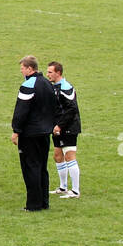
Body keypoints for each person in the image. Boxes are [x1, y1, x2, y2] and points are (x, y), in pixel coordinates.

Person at [12, 56, 57, 212]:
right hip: (45, 133)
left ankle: (33, 205)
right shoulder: (47, 83)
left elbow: (21, 111)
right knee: (42, 167)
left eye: (22, 68)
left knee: (30, 168)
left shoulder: (28, 85)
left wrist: (16, 130)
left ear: (30, 69)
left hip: (30, 134)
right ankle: (44, 202)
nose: (21, 71)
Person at [46, 61, 82, 198]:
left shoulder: (66, 88)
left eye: (50, 72)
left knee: (69, 156)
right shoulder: (55, 86)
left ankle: (75, 190)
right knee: (57, 156)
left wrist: (60, 125)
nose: (48, 74)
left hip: (68, 127)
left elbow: (72, 109)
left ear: (58, 73)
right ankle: (63, 187)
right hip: (57, 127)